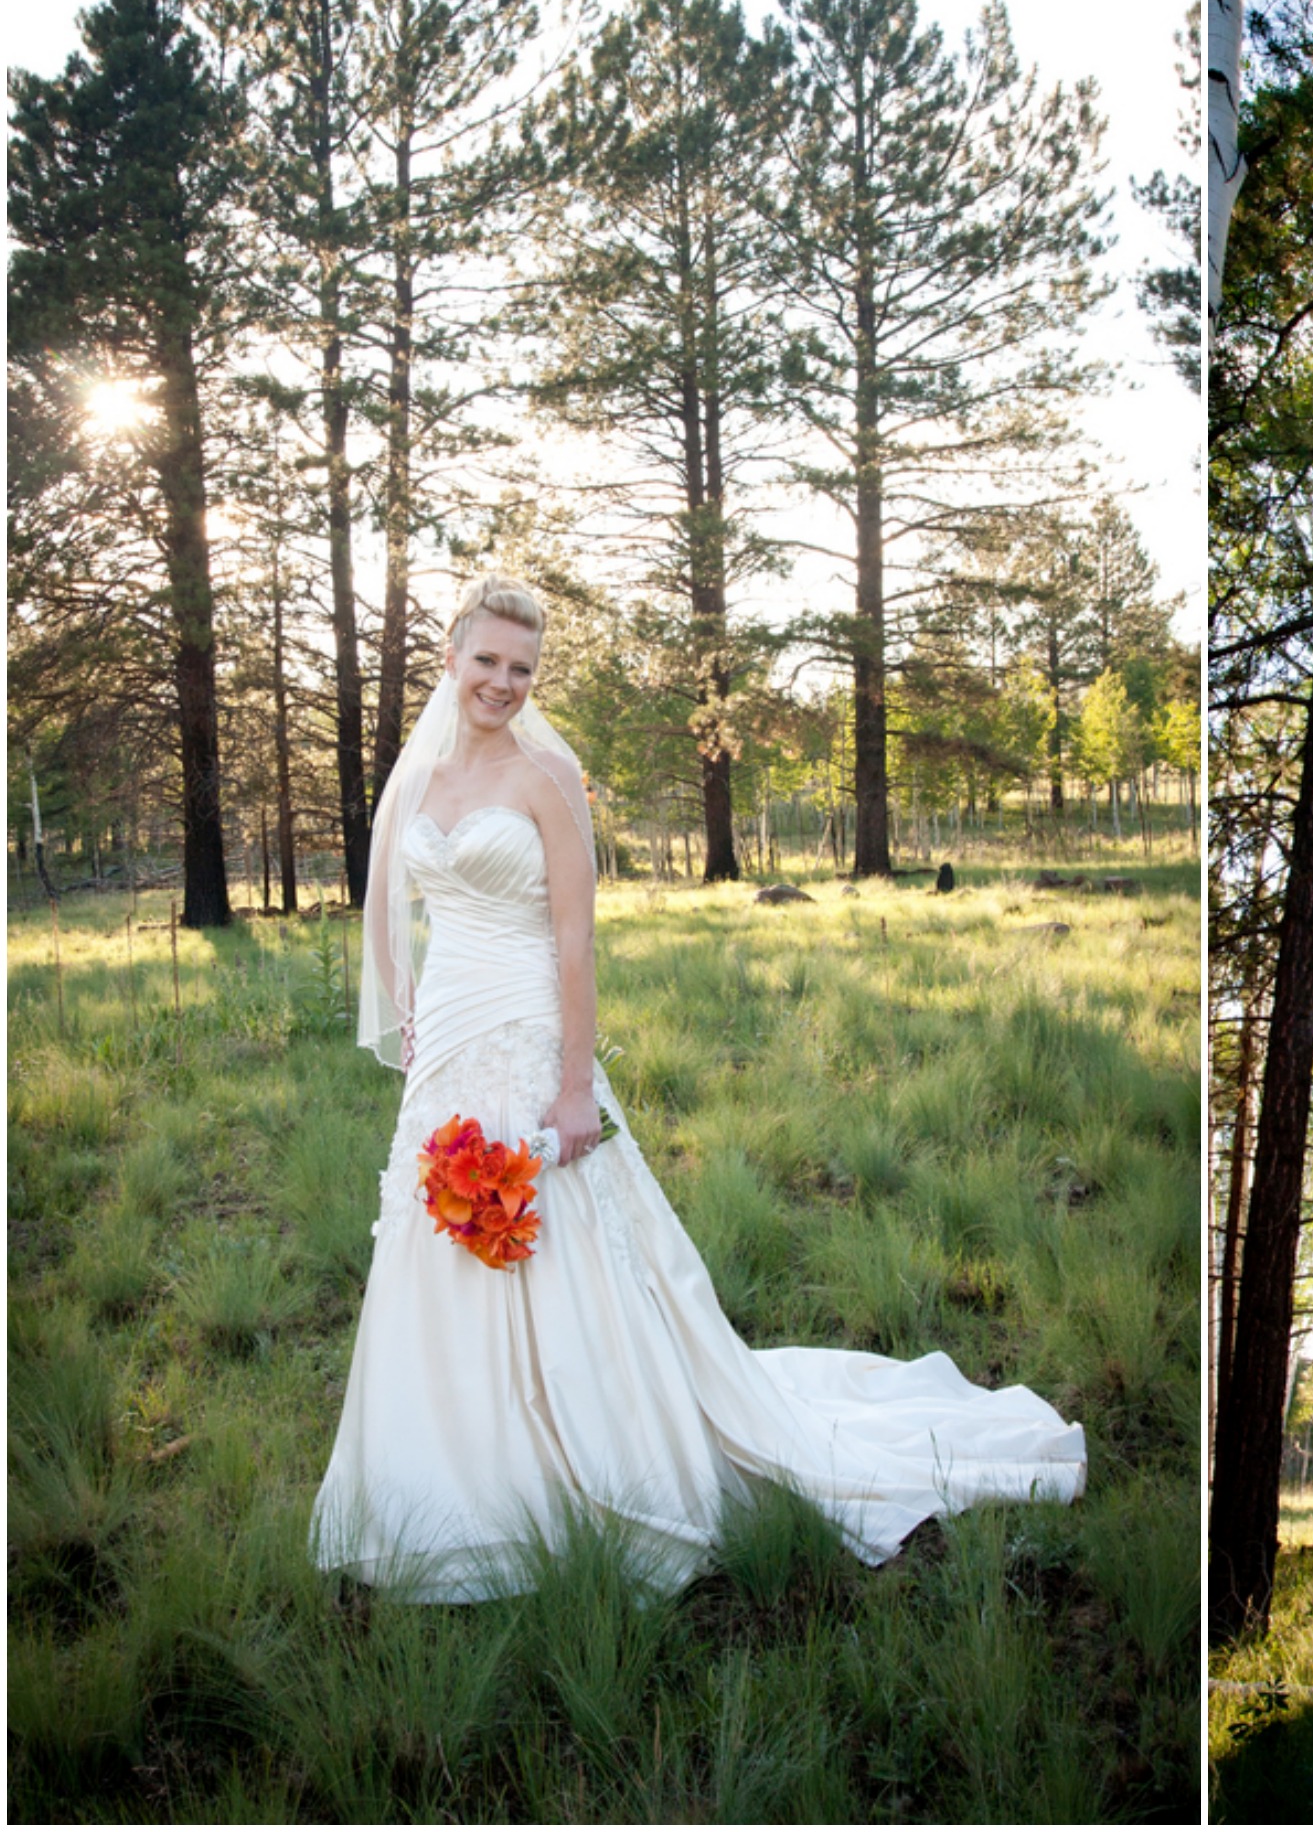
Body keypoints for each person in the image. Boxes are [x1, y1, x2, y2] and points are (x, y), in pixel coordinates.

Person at [310, 574, 1085, 1601]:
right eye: (487, 659)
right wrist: (408, 1003)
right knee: (442, 1236)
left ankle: (597, 1465)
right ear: (451, 653)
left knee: (556, 1237)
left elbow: (576, 936)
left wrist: (575, 1083)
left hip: (535, 1033)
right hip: (450, 1037)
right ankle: (456, 1473)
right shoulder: (417, 777)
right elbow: (385, 903)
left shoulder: (546, 774)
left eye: (522, 668)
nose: (502, 681)